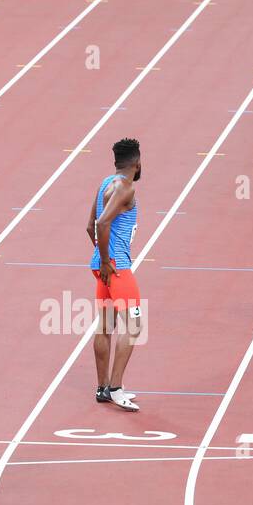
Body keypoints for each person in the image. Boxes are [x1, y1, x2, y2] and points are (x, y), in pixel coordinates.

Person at [88, 137, 144, 412]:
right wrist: (111, 261)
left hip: (101, 265)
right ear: (137, 163)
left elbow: (90, 226)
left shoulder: (104, 184)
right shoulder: (126, 188)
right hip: (117, 267)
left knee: (105, 326)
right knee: (134, 326)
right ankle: (116, 388)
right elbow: (101, 222)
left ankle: (102, 387)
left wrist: (101, 258)